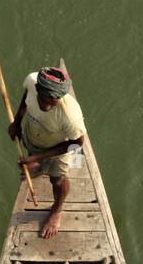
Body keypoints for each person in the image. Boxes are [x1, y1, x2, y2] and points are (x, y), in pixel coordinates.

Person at [8, 65, 86, 240]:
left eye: (53, 101)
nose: (48, 105)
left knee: (57, 180)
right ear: (37, 88)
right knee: (35, 157)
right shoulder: (31, 81)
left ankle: (57, 210)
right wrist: (17, 121)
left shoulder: (70, 118)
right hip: (34, 132)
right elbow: (26, 98)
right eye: (44, 99)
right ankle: (41, 167)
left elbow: (78, 144)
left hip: (59, 146)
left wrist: (37, 157)